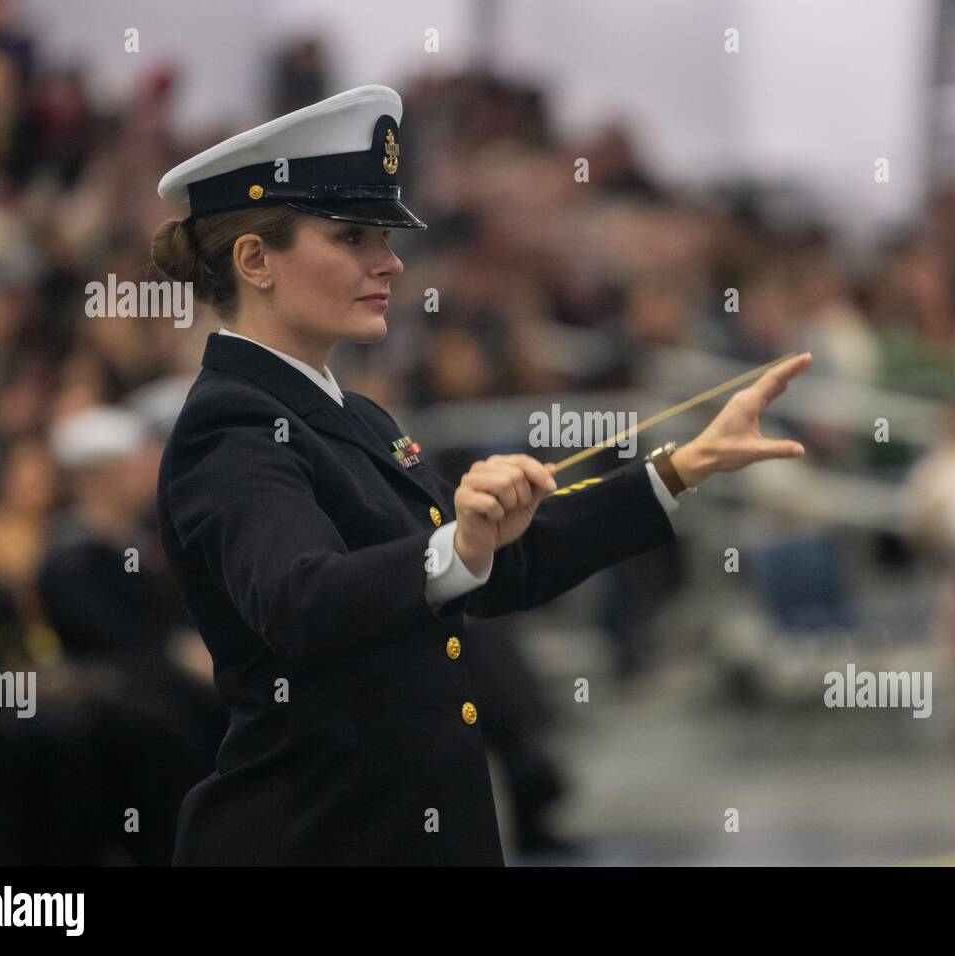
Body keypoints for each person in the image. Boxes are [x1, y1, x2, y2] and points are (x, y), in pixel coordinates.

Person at [151, 85, 812, 865]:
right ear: (255, 260)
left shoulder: (355, 416)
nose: (389, 261)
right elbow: (300, 600)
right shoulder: (230, 427)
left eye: (383, 236)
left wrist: (684, 465)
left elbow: (502, 562)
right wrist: (458, 547)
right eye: (352, 236)